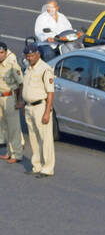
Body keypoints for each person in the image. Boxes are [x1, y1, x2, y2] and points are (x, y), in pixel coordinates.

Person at [19, 43, 55, 177]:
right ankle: (36, 165)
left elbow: (50, 93)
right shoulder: (28, 68)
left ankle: (47, 168)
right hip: (29, 107)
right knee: (33, 138)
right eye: (27, 56)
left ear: (38, 54)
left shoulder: (45, 69)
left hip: (41, 107)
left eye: (32, 55)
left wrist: (47, 112)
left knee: (45, 139)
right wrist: (24, 105)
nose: (29, 58)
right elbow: (26, 88)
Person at [0, 41, 23, 163]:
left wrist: (19, 100)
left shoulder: (11, 64)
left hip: (10, 97)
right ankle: (9, 152)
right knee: (5, 127)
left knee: (13, 127)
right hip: (0, 98)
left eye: (1, 53)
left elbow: (20, 83)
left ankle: (17, 154)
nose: (0, 55)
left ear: (5, 52)